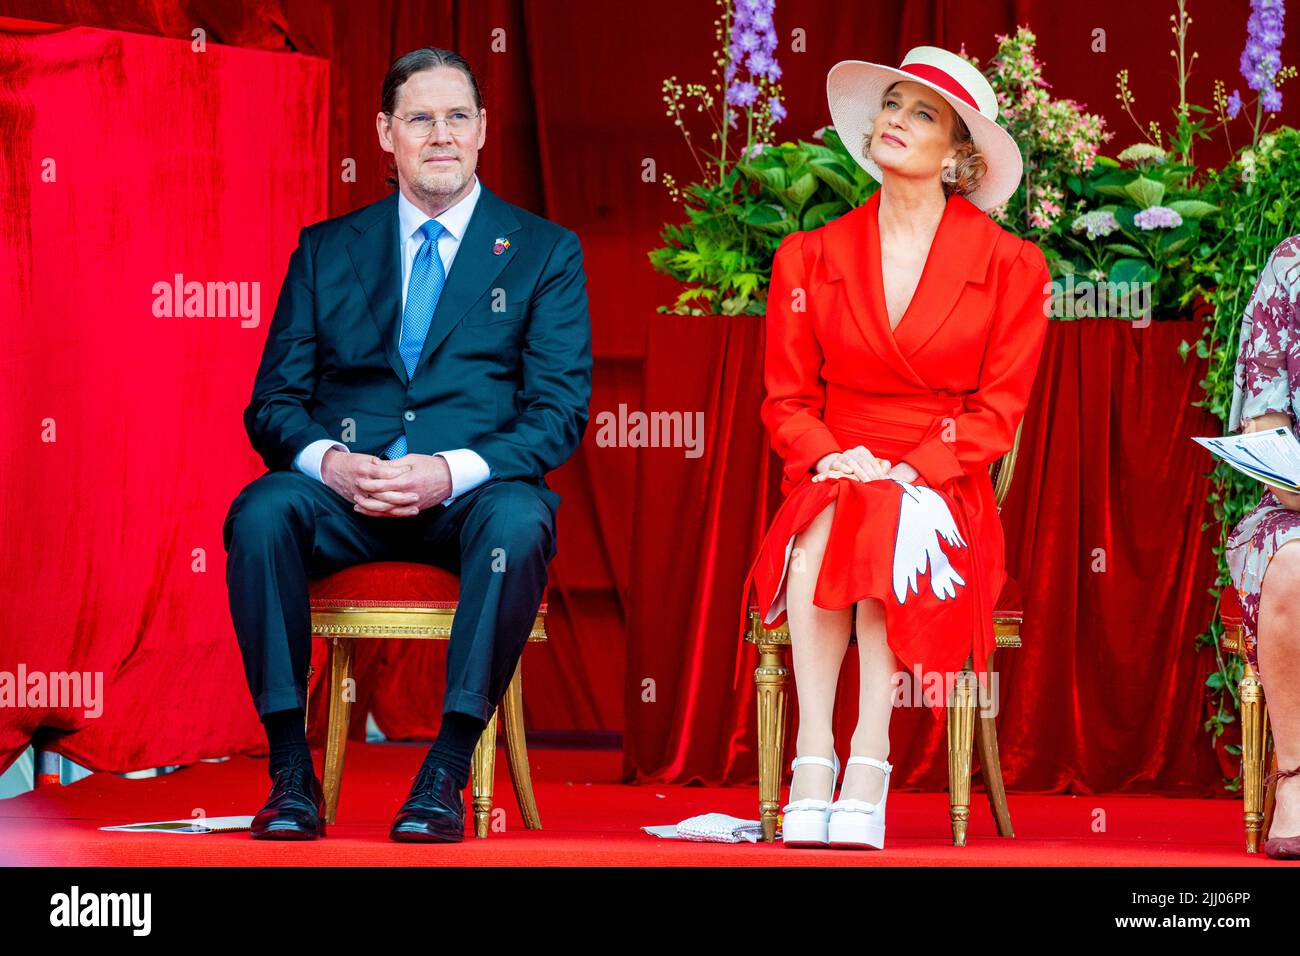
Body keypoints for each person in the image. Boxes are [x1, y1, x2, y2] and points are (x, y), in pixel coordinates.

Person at [222, 47, 592, 842]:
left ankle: (444, 771)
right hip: (345, 497)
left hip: (469, 498)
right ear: (386, 132)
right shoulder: (326, 249)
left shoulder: (543, 252)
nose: (441, 135)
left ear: (484, 130)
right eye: (420, 118)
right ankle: (290, 771)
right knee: (260, 513)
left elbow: (559, 413)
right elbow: (272, 403)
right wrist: (330, 461)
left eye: (458, 117)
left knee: (521, 522)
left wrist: (446, 472)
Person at [741, 46, 1050, 849]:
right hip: (836, 468)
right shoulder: (805, 256)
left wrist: (915, 467)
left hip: (944, 483)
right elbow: (787, 399)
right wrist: (827, 454)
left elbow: (998, 411)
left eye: (922, 114)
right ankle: (817, 754)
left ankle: (867, 760)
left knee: (880, 516)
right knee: (832, 517)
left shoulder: (1015, 266)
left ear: (958, 157)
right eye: (891, 104)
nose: (895, 121)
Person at [1225, 234, 1300, 860]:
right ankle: (1297, 779)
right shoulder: (1290, 265)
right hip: (1296, 508)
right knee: (1294, 561)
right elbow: (1264, 427)